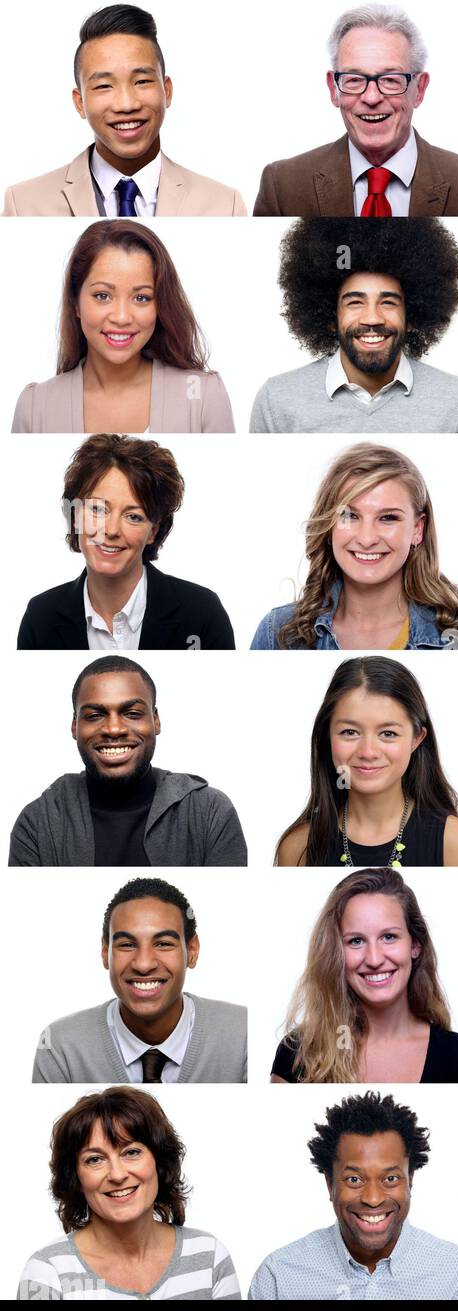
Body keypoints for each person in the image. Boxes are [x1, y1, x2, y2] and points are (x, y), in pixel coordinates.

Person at [3, 5, 245, 216]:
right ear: (79, 103)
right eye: (104, 86)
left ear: (166, 90)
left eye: (141, 81)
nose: (127, 104)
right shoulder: (23, 204)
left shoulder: (225, 205)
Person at [249, 1091, 458, 1299]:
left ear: (411, 1181)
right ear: (329, 1184)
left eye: (390, 1179)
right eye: (354, 1179)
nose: (373, 1198)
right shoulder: (278, 1277)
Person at [254, 4, 458, 216]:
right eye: (354, 79)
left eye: (390, 79)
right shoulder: (282, 187)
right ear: (333, 88)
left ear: (419, 89)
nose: (371, 97)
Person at [8, 655, 248, 867]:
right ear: (75, 726)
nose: (113, 729)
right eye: (94, 716)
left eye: (132, 713)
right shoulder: (38, 823)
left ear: (156, 721)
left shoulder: (209, 812)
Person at [250, 441, 458, 651]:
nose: (367, 538)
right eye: (350, 516)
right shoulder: (277, 634)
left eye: (388, 518)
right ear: (329, 525)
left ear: (418, 529)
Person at [250, 218, 458, 434]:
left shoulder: (457, 402)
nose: (372, 318)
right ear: (330, 317)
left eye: (388, 302)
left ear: (411, 318)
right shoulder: (277, 401)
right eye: (355, 302)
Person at [11, 220, 234, 434]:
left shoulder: (205, 397)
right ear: (75, 304)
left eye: (141, 298)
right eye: (102, 296)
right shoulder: (34, 408)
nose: (121, 317)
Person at [17, 1086, 241, 1300]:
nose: (117, 1174)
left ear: (159, 1161)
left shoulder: (208, 1256)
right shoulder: (47, 1272)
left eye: (131, 1152)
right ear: (75, 1176)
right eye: (94, 1159)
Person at [18, 433, 235, 650]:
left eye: (133, 516)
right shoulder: (40, 617)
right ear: (75, 516)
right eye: (98, 509)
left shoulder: (203, 614)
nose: (111, 530)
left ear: (153, 531)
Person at [270, 869, 458, 1083]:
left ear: (415, 945)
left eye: (389, 937)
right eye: (356, 941)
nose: (373, 959)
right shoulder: (299, 1053)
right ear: (336, 953)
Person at [33, 877, 248, 1084]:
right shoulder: (61, 1045)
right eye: (127, 944)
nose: (143, 964)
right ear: (105, 952)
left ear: (192, 951)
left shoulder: (243, 1032)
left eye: (163, 944)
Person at [275, 656, 458, 868]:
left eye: (388, 733)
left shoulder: (456, 841)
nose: (368, 752)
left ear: (417, 739)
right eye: (350, 732)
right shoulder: (298, 847)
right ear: (327, 736)